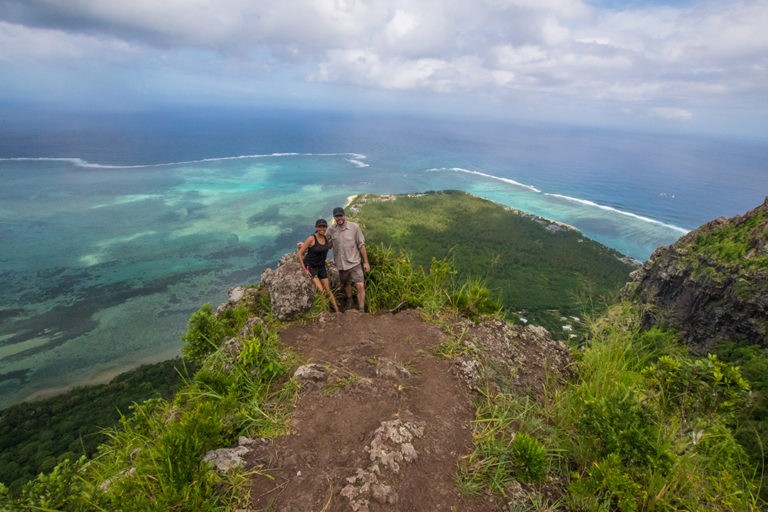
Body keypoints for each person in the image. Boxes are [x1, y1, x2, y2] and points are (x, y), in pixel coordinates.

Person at [326, 206, 370, 312]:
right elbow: (322, 241)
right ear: (334, 217)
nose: (339, 218)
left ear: (344, 215)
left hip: (355, 263)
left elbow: (361, 245)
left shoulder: (354, 227)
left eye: (340, 215)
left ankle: (361, 309)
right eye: (336, 216)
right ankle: (350, 300)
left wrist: (366, 262)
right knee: (346, 284)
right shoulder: (331, 229)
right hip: (341, 264)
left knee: (360, 285)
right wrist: (306, 244)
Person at [297, 218, 340, 313]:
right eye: (320, 226)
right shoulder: (311, 238)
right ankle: (325, 312)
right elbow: (299, 254)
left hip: (321, 267)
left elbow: (328, 246)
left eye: (324, 226)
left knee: (328, 290)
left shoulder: (325, 238)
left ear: (326, 227)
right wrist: (304, 269)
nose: (322, 228)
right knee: (320, 290)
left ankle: (337, 312)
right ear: (316, 227)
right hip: (310, 266)